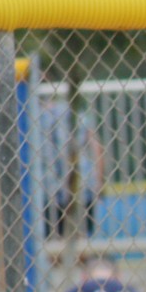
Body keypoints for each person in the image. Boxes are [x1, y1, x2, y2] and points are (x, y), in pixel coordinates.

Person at [40, 98, 106, 238]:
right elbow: (96, 146)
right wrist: (98, 182)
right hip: (80, 186)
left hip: (51, 189)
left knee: (54, 243)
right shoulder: (74, 112)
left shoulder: (37, 116)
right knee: (79, 240)